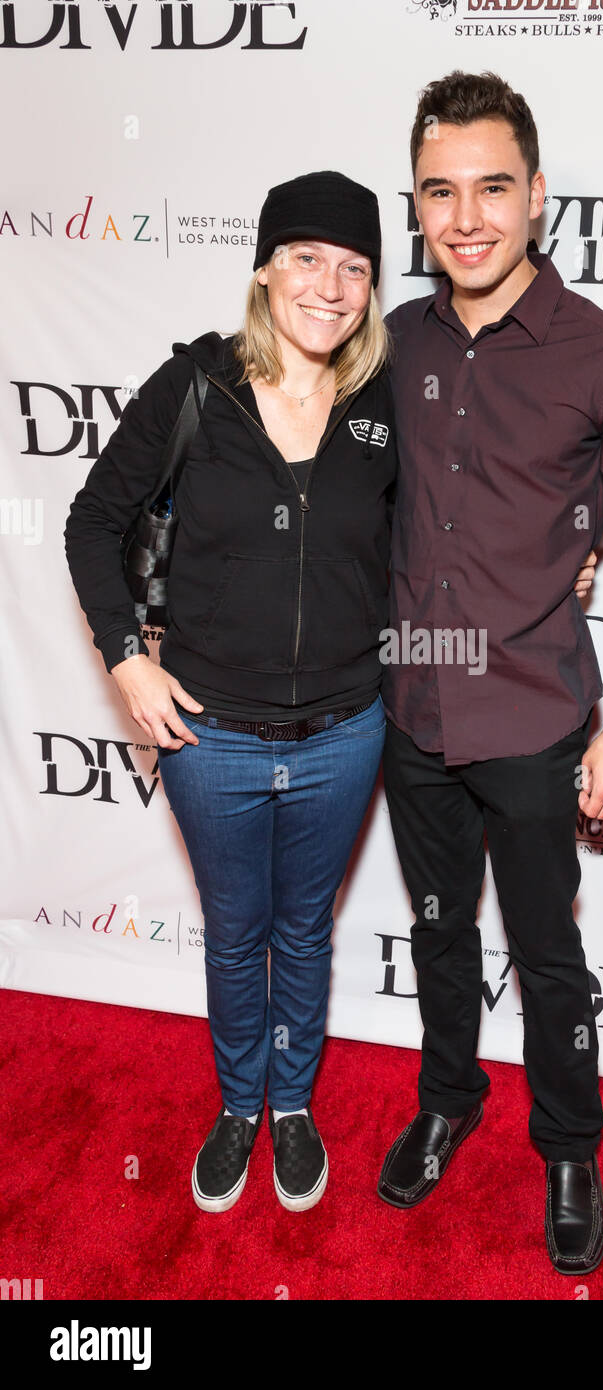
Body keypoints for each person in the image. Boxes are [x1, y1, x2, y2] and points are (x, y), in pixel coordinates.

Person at [376, 71, 603, 1276]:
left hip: (530, 716)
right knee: (434, 930)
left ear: (538, 197)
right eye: (439, 191)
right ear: (414, 205)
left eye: (492, 188)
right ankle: (446, 1098)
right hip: (408, 699)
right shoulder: (386, 342)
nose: (465, 217)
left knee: (546, 952)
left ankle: (568, 1146)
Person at [64, 171, 398, 1215]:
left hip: (345, 728)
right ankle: (237, 1107)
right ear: (263, 268)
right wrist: (125, 656)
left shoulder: (385, 404)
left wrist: (564, 563)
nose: (329, 285)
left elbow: (463, 526)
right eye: (305, 256)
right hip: (209, 733)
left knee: (303, 929)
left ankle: (291, 1106)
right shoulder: (196, 389)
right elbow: (89, 524)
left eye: (353, 266)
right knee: (233, 926)